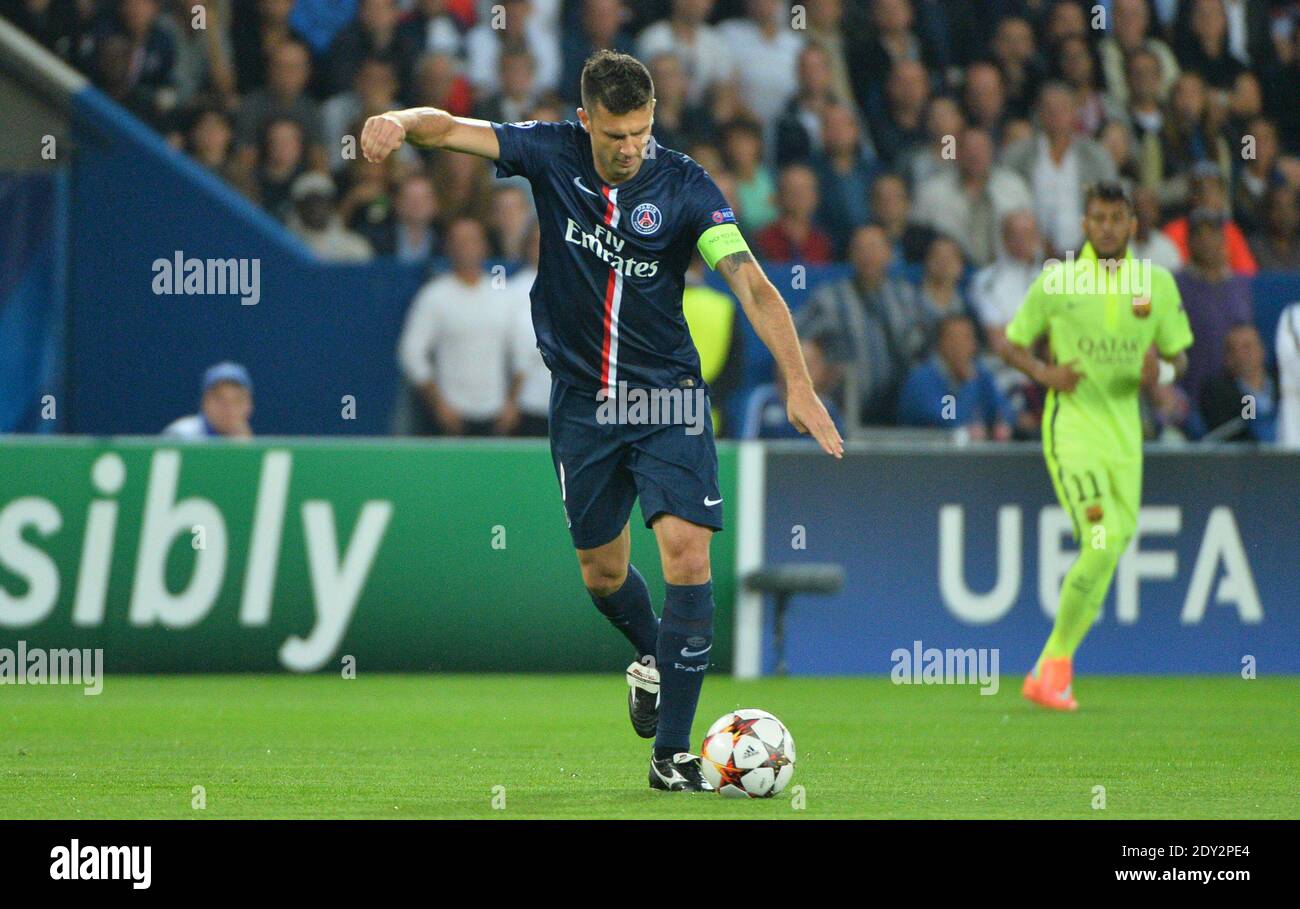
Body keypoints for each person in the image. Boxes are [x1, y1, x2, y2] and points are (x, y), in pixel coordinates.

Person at [361, 49, 841, 791]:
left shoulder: (685, 187)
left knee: (687, 557)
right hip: (583, 401)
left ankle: (671, 755)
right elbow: (450, 128)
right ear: (586, 121)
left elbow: (750, 281)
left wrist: (798, 383)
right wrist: (395, 119)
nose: (628, 149)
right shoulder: (550, 153)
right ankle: (653, 653)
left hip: (667, 398)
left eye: (641, 132)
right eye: (615, 134)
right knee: (603, 572)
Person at [1001, 182, 1193, 711]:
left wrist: (1165, 371)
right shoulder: (1058, 283)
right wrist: (1044, 371)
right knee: (1102, 540)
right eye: (1098, 218)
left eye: (1117, 218)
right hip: (1073, 429)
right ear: (1084, 225)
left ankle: (1050, 669)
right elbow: (1012, 343)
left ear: (1132, 224)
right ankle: (1053, 668)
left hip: (1125, 435)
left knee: (1112, 547)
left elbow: (1181, 358)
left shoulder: (1156, 285)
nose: (1108, 227)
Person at [397, 218, 514, 436]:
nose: (465, 247)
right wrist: (438, 403)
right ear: (448, 247)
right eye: (458, 241)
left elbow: (523, 351)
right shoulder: (434, 295)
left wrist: (512, 403)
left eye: (471, 240)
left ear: (484, 246)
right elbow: (411, 353)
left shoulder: (503, 294)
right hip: (449, 415)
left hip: (496, 414)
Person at [897, 314, 1014, 439]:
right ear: (941, 343)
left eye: (967, 338)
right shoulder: (923, 380)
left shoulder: (980, 373)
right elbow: (950, 420)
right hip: (922, 453)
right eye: (954, 339)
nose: (962, 346)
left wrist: (1003, 421)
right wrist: (969, 383)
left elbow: (1003, 406)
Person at [1200, 324, 1278, 442]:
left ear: (1262, 350)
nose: (1240, 355)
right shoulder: (1217, 392)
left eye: (1247, 347)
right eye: (1232, 350)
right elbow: (1229, 434)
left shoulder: (1284, 382)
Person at [163, 362, 255, 439]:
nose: (228, 407)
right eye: (219, 399)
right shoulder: (180, 436)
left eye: (237, 400)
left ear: (249, 406)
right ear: (204, 402)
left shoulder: (245, 440)